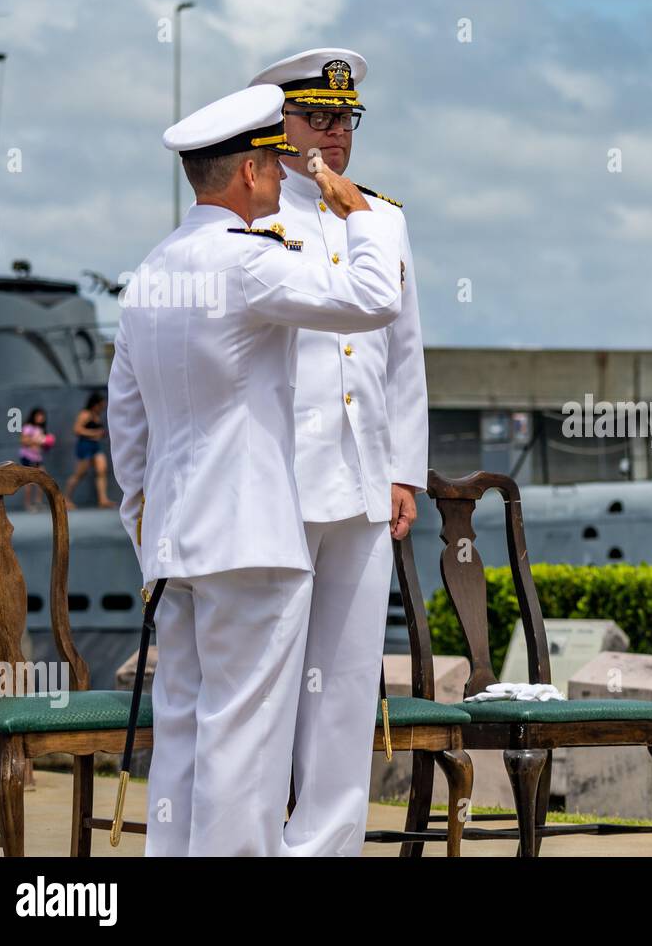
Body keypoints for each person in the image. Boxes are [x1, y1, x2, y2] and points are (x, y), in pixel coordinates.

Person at [107, 84, 404, 857]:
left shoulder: (151, 272)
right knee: (247, 738)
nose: (282, 177)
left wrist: (145, 526)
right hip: (253, 541)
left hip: (176, 543)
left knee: (183, 729)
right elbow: (374, 298)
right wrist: (360, 213)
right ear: (246, 174)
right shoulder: (246, 263)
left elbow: (126, 424)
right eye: (272, 162)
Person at [248, 48, 428, 856]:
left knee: (350, 682)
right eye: (316, 116)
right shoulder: (249, 213)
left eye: (344, 117)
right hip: (281, 475)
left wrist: (402, 469)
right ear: (276, 124)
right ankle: (248, 837)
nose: (334, 132)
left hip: (360, 476)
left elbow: (406, 352)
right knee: (268, 680)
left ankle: (326, 847)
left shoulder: (382, 217)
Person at [63, 393, 115, 508]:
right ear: (95, 404)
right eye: (101, 405)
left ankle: (103, 499)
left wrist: (100, 434)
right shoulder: (85, 414)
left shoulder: (96, 415)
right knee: (79, 473)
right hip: (85, 445)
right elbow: (77, 430)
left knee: (102, 470)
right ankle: (65, 499)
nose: (103, 407)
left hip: (95, 446)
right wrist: (95, 433)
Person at [18, 407, 55, 511]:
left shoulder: (41, 429)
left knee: (43, 478)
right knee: (29, 482)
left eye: (42, 416)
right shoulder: (28, 427)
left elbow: (43, 446)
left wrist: (48, 443)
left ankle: (38, 502)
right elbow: (24, 441)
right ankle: (27, 504)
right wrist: (40, 441)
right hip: (27, 457)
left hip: (37, 458)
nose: (41, 418)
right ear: (33, 416)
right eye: (38, 415)